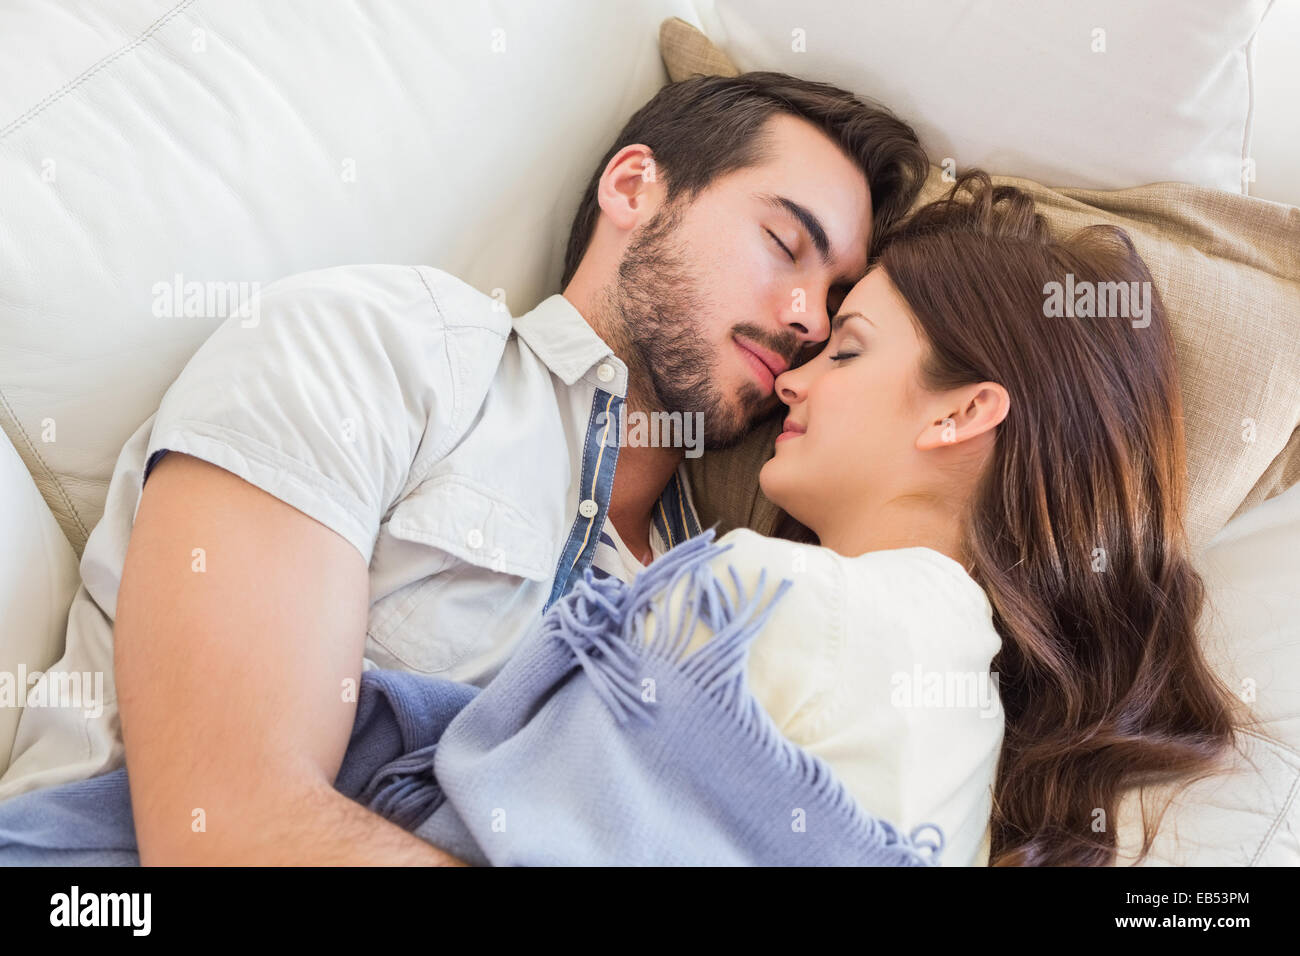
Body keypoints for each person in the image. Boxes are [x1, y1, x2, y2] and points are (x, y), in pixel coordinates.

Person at [0, 72, 928, 865]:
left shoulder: (717, 596)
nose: (810, 317)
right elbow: (232, 832)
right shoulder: (378, 347)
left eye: (839, 301)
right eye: (783, 242)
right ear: (635, 187)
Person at [667, 172, 1242, 866]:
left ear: (960, 413)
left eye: (847, 350)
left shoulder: (774, 597)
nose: (792, 379)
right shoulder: (974, 746)